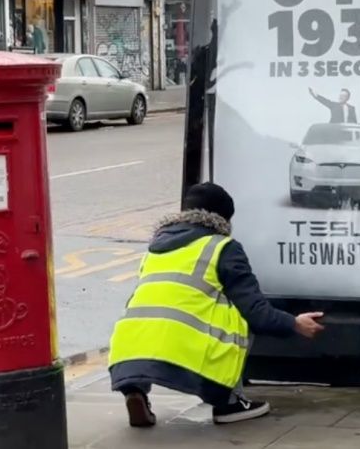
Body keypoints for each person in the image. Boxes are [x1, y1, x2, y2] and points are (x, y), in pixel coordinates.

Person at [108, 183, 326, 427]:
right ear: (223, 218)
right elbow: (255, 311)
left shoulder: (154, 250)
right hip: (187, 350)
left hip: (128, 349)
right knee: (236, 314)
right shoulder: (222, 247)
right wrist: (294, 324)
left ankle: (135, 392)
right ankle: (230, 402)